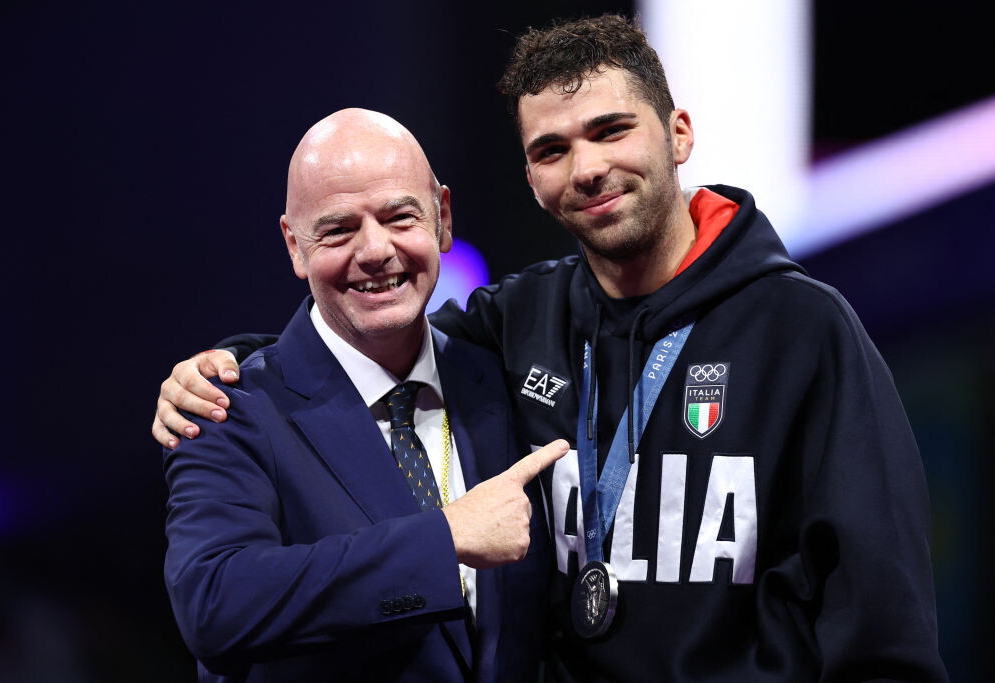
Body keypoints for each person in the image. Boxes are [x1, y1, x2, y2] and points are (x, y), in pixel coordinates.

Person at [154, 14, 948, 682]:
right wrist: (222, 364)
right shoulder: (518, 322)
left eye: (610, 130)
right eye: (552, 149)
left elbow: (883, 619)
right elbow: (365, 347)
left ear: (678, 133)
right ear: (531, 177)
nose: (588, 168)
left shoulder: (803, 330)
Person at [160, 107, 568, 682]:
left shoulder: (496, 376)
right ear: (295, 246)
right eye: (338, 229)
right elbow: (216, 605)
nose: (375, 250)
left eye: (400, 217)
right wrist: (443, 539)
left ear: (442, 219)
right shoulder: (224, 409)